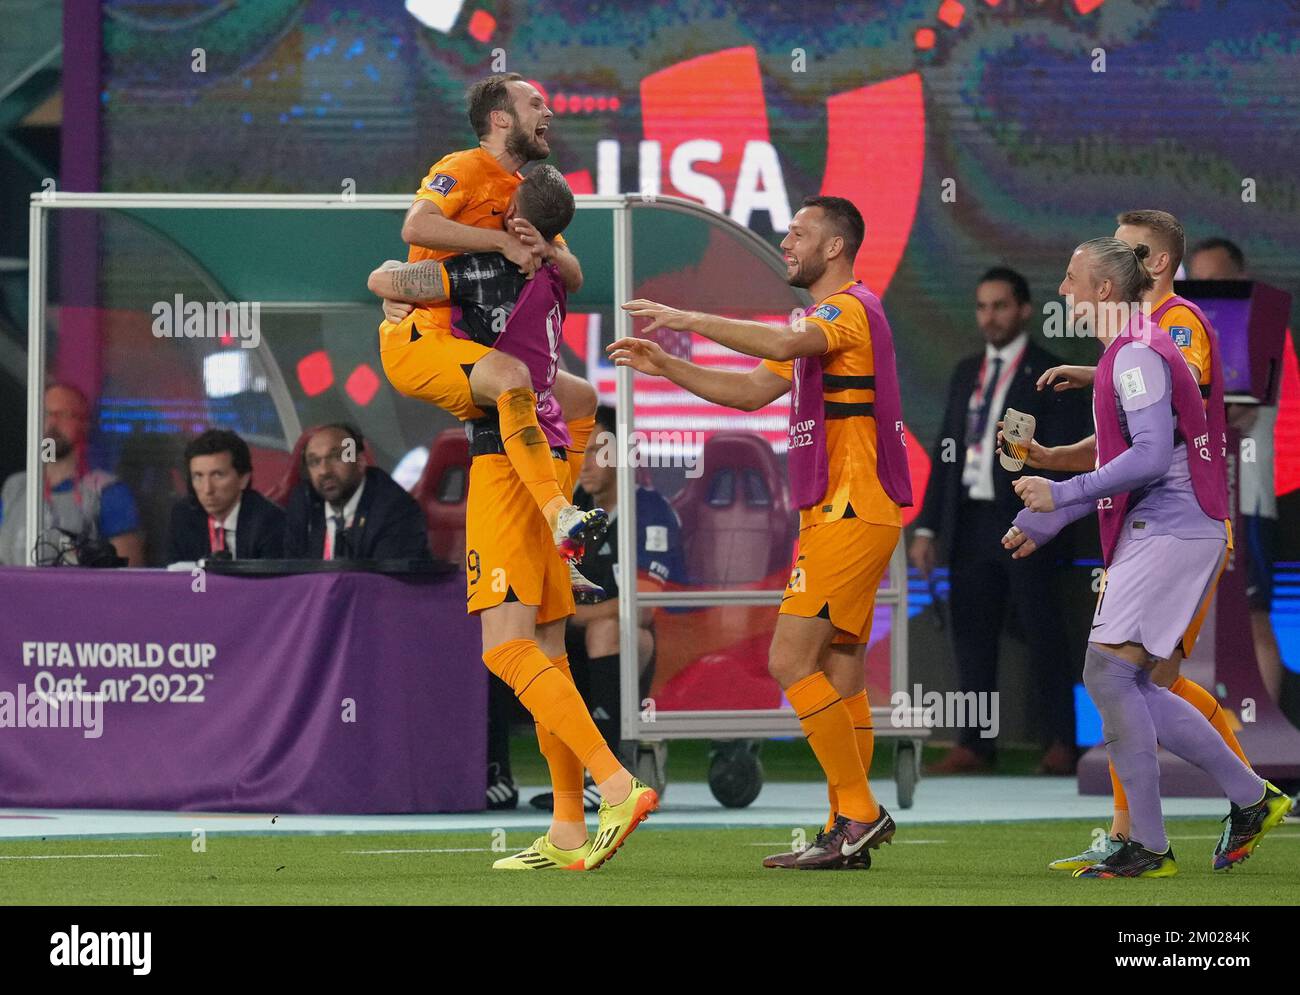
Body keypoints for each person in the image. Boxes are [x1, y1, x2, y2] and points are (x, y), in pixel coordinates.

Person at [612, 195, 909, 870]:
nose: (786, 240)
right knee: (839, 669)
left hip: (849, 512)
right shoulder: (828, 325)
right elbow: (750, 391)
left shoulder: (848, 309)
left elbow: (778, 343)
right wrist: (668, 365)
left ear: (835, 247)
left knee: (787, 661)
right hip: (848, 512)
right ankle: (844, 827)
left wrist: (688, 317)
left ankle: (859, 812)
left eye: (799, 232)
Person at [374, 165, 657, 871]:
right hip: (555, 447)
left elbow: (387, 278)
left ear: (512, 222)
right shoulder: (558, 275)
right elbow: (583, 386)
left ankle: (616, 783)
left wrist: (402, 298)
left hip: (505, 460)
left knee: (503, 648)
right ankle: (567, 827)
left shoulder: (473, 271)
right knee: (549, 650)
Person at [1005, 237, 1290, 878]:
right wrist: (1055, 516)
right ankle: (1248, 799)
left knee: (1109, 676)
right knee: (1126, 680)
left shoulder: (1135, 353)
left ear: (1104, 290)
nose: (1062, 289)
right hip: (1171, 525)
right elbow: (1132, 463)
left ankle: (1152, 843)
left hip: (1174, 527)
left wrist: (1061, 493)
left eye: (1071, 277)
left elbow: (1152, 457)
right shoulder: (1130, 350)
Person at [375, 72, 605, 583]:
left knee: (582, 398)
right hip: (424, 337)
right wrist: (500, 245)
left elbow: (574, 275)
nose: (548, 113)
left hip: (476, 343)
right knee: (511, 375)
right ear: (501, 118)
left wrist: (545, 249)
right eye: (535, 104)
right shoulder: (463, 167)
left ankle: (562, 538)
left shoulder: (526, 194)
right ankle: (558, 518)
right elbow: (415, 227)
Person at [910, 267, 1089, 775]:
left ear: (1025, 310)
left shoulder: (1051, 373)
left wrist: (1048, 516)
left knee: (1044, 629)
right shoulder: (966, 371)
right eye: (982, 307)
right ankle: (975, 742)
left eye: (1001, 306)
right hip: (969, 520)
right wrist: (927, 527)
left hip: (1027, 519)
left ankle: (1063, 741)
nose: (990, 316)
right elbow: (946, 451)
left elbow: (1066, 456)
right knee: (971, 633)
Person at [528, 404, 686, 812]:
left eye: (597, 449)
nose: (584, 463)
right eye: (580, 449)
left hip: (638, 643)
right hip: (572, 634)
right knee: (513, 637)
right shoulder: (570, 508)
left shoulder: (649, 509)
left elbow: (643, 606)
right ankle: (501, 776)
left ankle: (607, 774)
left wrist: (568, 613)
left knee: (611, 629)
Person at [1186, 237, 1285, 705]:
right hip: (1192, 499)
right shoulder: (1187, 334)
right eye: (1197, 283)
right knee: (1190, 620)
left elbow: (1238, 414)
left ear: (1240, 279)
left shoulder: (1262, 327)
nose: (1207, 292)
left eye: (1216, 281)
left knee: (1252, 615)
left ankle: (1265, 738)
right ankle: (1194, 740)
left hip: (1244, 496)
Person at [0, 384, 144, 566]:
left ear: (84, 424)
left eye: (63, 415)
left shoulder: (108, 491)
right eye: (45, 414)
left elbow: (128, 572)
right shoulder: (15, 487)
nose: (52, 423)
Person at [283, 424, 430, 561]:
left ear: (360, 462)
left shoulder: (395, 509)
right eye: (314, 462)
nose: (324, 471)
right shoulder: (304, 502)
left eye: (336, 457)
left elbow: (387, 585)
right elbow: (291, 578)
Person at [166, 429, 284, 562]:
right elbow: (174, 576)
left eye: (217, 475)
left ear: (243, 479)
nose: (207, 489)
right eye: (198, 476)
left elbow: (271, 581)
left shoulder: (270, 521)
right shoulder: (183, 516)